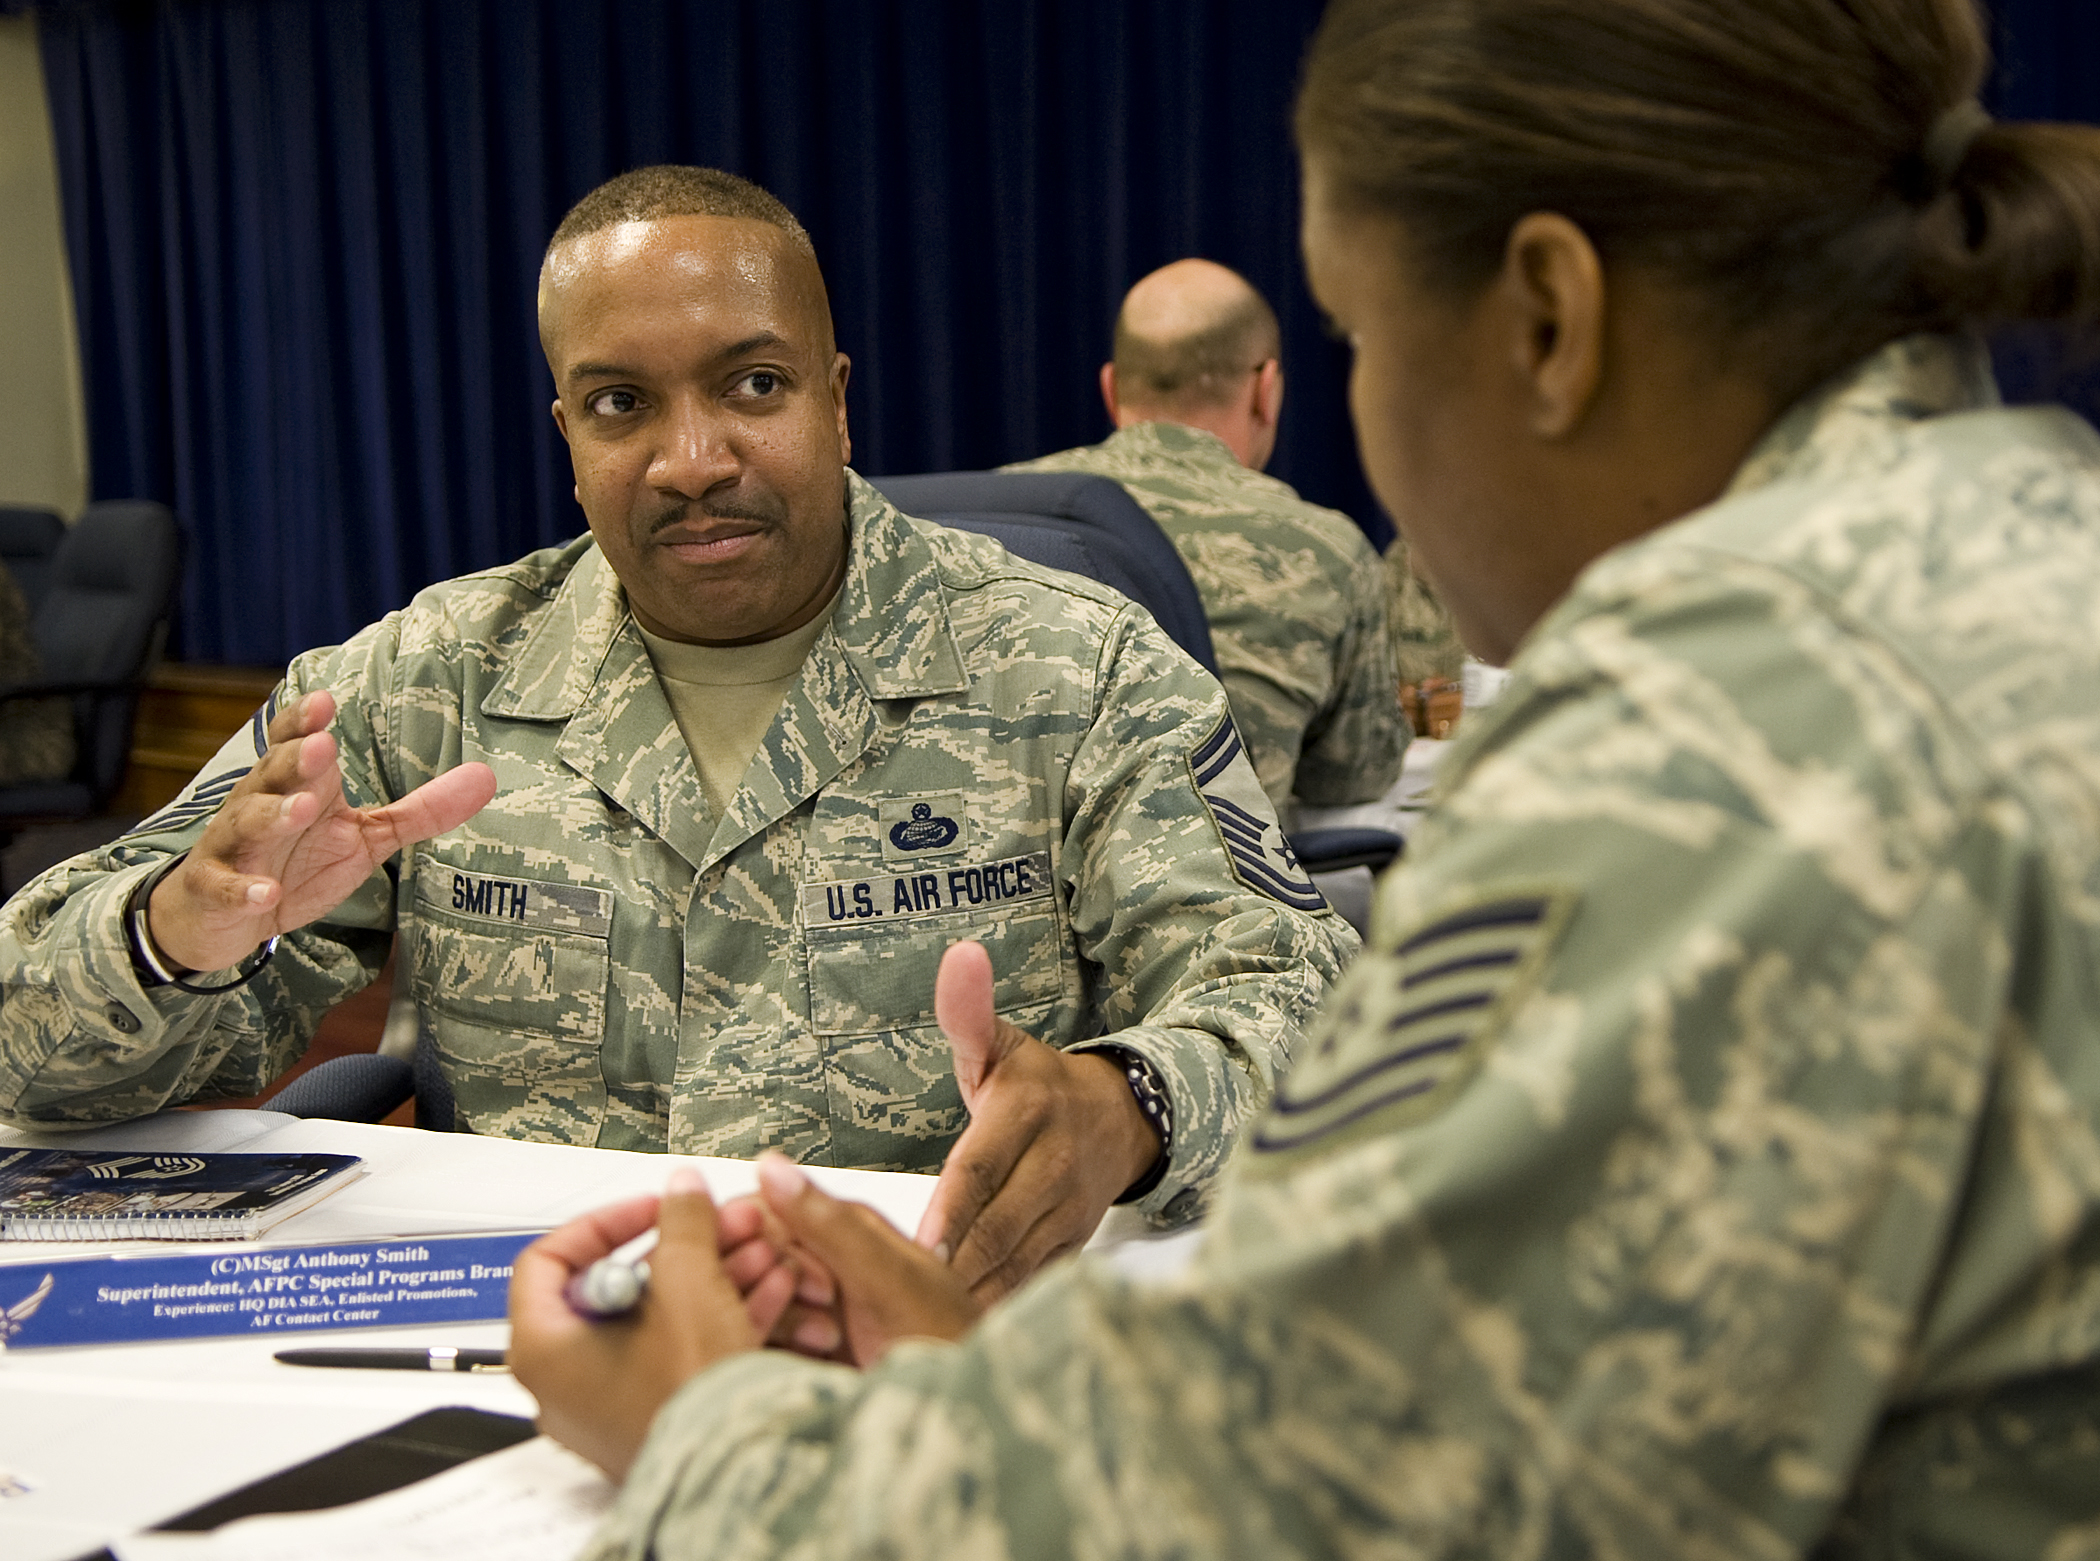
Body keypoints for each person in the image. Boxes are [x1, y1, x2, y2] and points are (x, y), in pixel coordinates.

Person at [509, 1, 2100, 1555]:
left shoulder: (1715, 736)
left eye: (1353, 330)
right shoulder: (2024, 548)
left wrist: (702, 1428)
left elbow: (1293, 1495)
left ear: (1548, 319)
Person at [0, 166, 1355, 1300]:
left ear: (834, 396)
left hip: (925, 1348)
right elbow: (26, 1038)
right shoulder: (425, 680)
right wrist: (174, 937)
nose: (690, 457)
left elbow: (1297, 991)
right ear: (567, 431)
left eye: (752, 385)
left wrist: (1134, 1102)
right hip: (509, 1357)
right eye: (621, 404)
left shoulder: (1080, 670)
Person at [1007, 258, 1430, 814]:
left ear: (1110, 389)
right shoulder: (1326, 548)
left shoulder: (998, 515)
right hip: (1219, 893)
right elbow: (1354, 778)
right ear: (1266, 390)